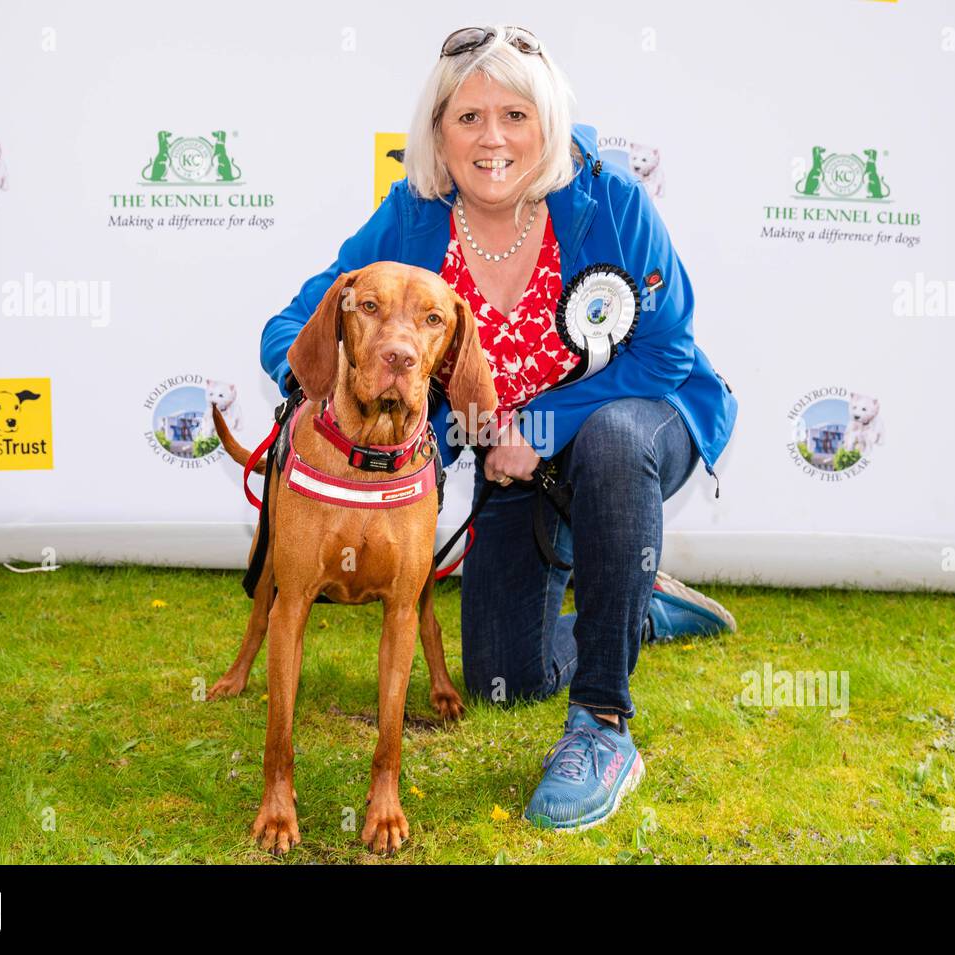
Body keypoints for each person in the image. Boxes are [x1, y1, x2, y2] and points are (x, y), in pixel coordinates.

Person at [260, 24, 738, 830]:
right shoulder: (412, 219)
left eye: (515, 115)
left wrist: (542, 422)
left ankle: (602, 724)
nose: (492, 138)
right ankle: (631, 600)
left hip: (641, 423)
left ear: (547, 123)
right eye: (468, 117)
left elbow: (665, 351)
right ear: (437, 132)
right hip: (507, 462)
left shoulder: (612, 202)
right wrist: (324, 379)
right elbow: (292, 324)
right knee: (498, 674)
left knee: (617, 439)